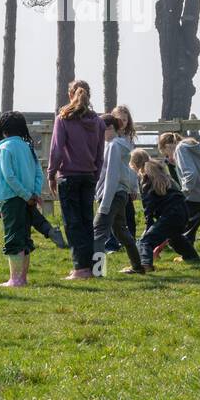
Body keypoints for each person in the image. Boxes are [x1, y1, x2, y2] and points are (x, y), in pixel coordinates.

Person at [48, 79, 106, 279]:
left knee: (72, 224)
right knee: (86, 222)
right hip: (88, 176)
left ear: (70, 95)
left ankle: (80, 268)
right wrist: (95, 174)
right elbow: (100, 153)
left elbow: (56, 150)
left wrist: (51, 174)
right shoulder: (98, 121)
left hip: (69, 176)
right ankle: (92, 267)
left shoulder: (63, 118)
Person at [0, 111, 44, 288]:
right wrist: (33, 194)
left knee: (13, 239)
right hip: (29, 198)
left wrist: (25, 196)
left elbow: (9, 177)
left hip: (11, 199)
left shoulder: (4, 148)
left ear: (3, 129)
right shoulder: (28, 147)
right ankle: (23, 278)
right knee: (25, 238)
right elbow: (38, 172)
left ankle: (15, 279)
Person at [130, 147, 200, 270]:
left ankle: (145, 264)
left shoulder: (146, 178)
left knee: (145, 241)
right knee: (175, 237)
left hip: (171, 214)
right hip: (183, 211)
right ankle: (192, 257)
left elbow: (149, 206)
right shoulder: (160, 172)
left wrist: (148, 228)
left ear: (134, 165)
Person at [92, 114, 145, 275]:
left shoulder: (115, 146)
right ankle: (138, 266)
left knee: (98, 231)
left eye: (101, 129)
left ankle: (97, 272)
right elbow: (127, 172)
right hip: (118, 194)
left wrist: (105, 203)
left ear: (110, 128)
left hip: (112, 195)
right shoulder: (115, 145)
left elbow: (112, 175)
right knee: (121, 231)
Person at [103, 105, 140, 251]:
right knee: (111, 215)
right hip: (111, 181)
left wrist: (134, 186)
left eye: (125, 119)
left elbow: (132, 165)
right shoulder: (109, 137)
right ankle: (112, 243)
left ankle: (131, 240)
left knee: (128, 213)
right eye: (119, 119)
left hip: (125, 181)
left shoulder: (128, 139)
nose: (122, 122)